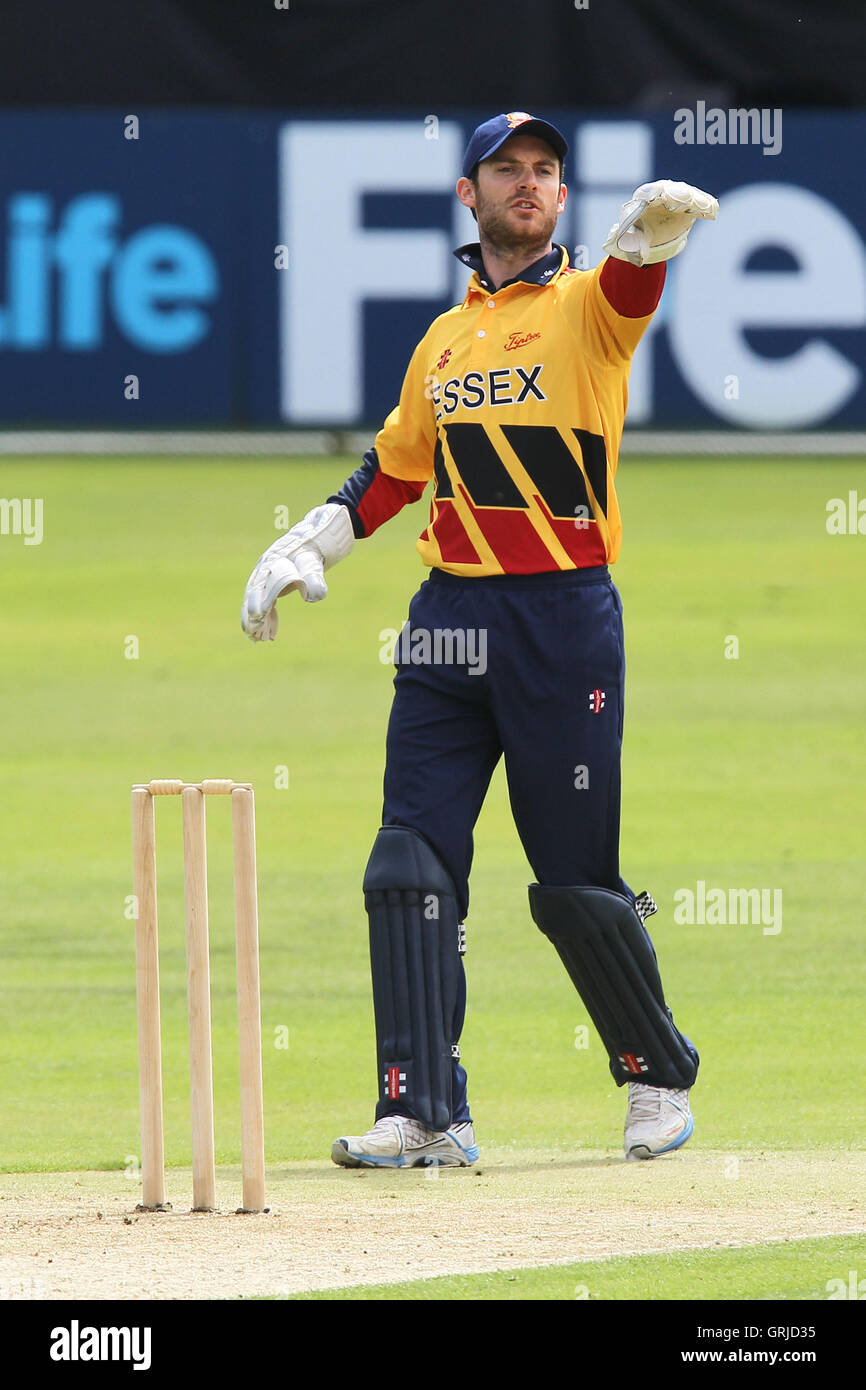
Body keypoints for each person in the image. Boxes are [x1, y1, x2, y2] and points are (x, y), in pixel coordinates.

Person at [241, 112, 718, 1168]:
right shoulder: (443, 340)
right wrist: (310, 538)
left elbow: (633, 283)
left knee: (570, 879)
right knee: (406, 861)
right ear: (469, 194)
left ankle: (653, 1077)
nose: (529, 184)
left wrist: (644, 243)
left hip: (562, 615)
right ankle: (422, 1111)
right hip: (447, 621)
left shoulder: (590, 306)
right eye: (507, 169)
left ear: (560, 196)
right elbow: (397, 467)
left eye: (546, 171)